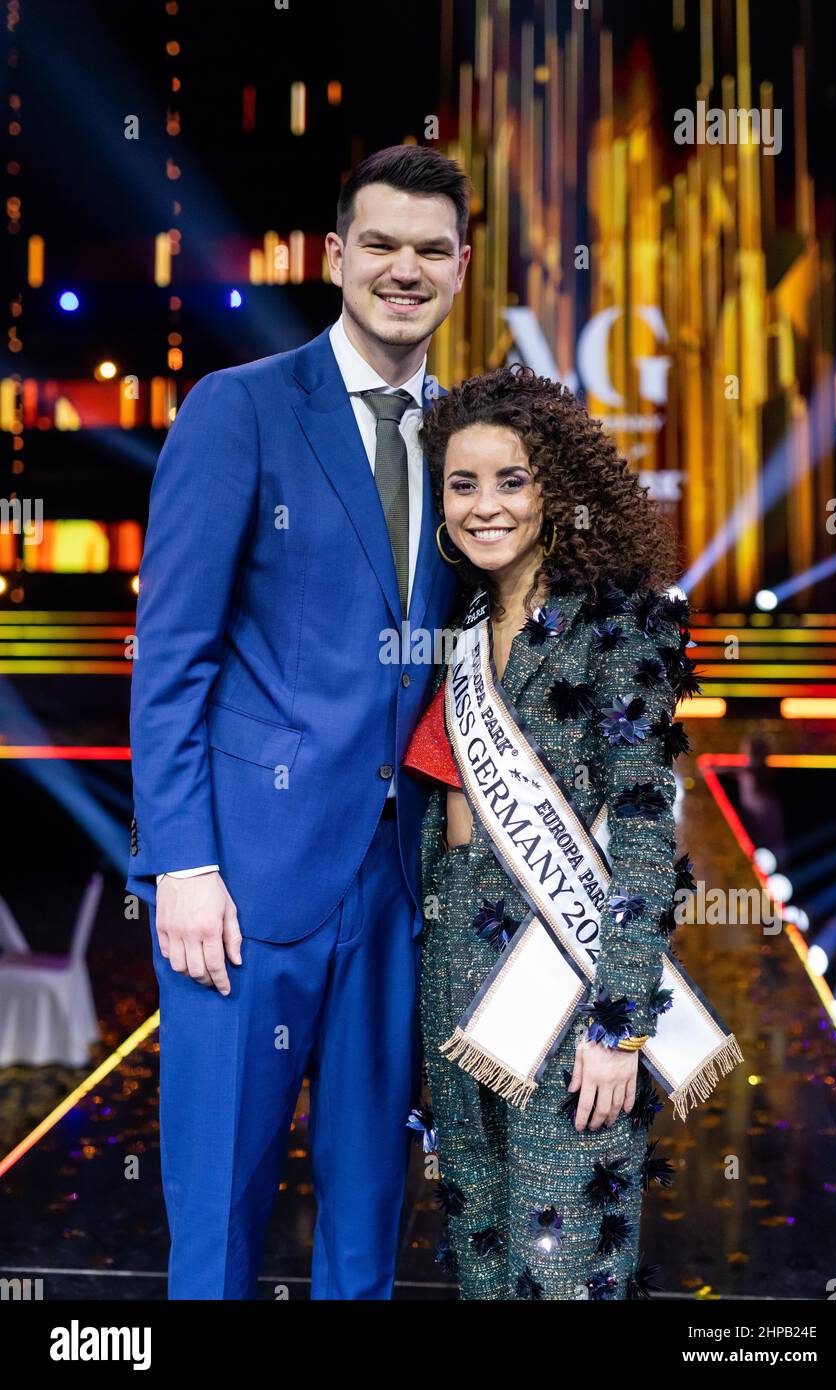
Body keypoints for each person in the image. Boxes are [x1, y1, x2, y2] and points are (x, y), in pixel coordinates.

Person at [126, 145, 471, 1299]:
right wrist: (180, 861)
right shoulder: (242, 410)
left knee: (368, 1226)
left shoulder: (469, 446)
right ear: (336, 256)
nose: (404, 269)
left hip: (398, 889)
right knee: (219, 1223)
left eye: (431, 249)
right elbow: (172, 655)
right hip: (244, 887)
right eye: (380, 244)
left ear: (462, 267)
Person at [403, 364, 742, 1300]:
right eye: (462, 484)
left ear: (557, 489)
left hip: (568, 983)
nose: (484, 507)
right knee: (480, 1257)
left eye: (510, 480)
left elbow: (641, 830)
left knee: (564, 1270)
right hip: (453, 982)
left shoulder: (616, 623)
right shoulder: (460, 619)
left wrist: (619, 1024)